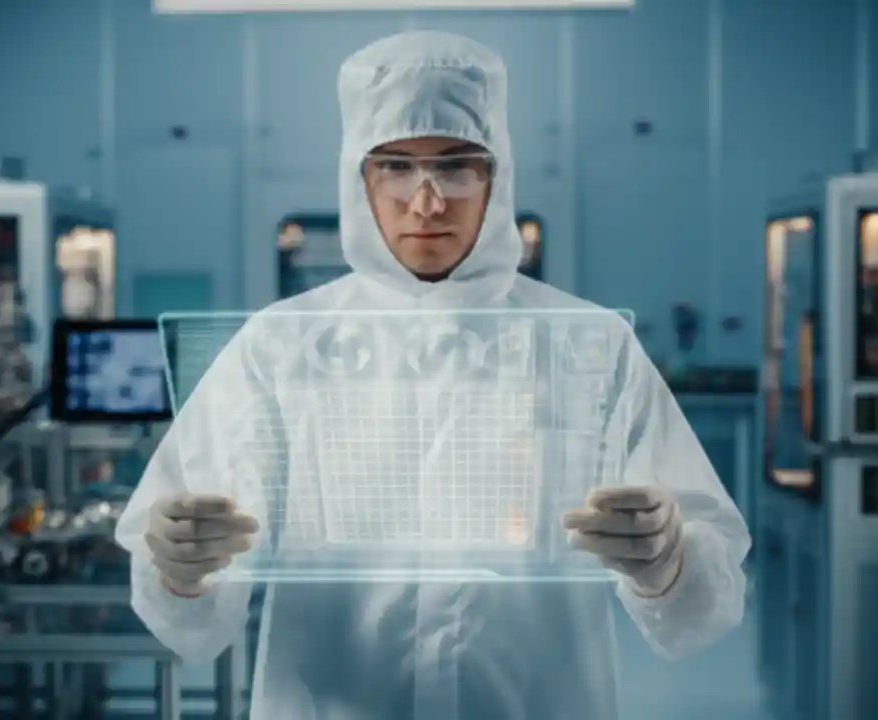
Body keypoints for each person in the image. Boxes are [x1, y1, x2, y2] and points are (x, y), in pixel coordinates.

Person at [116, 31, 750, 719]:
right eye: (394, 167)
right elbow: (189, 607)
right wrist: (181, 569)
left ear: (496, 175)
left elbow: (709, 599)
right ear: (359, 180)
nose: (426, 203)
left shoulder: (590, 347)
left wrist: (669, 561)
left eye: (455, 167)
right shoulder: (280, 347)